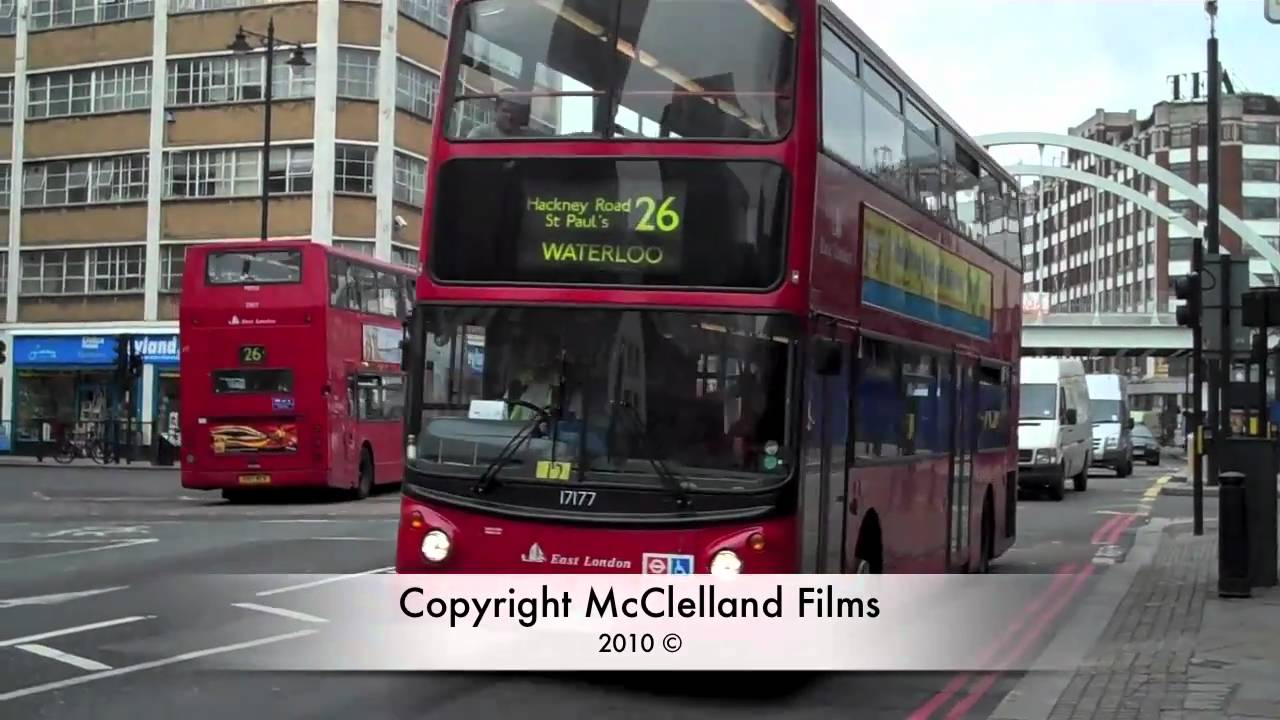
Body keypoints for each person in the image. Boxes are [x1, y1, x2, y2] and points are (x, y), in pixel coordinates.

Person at [468, 90, 540, 139]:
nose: (509, 116)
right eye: (505, 111)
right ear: (496, 109)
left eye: (514, 112)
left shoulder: (531, 138)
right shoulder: (480, 135)